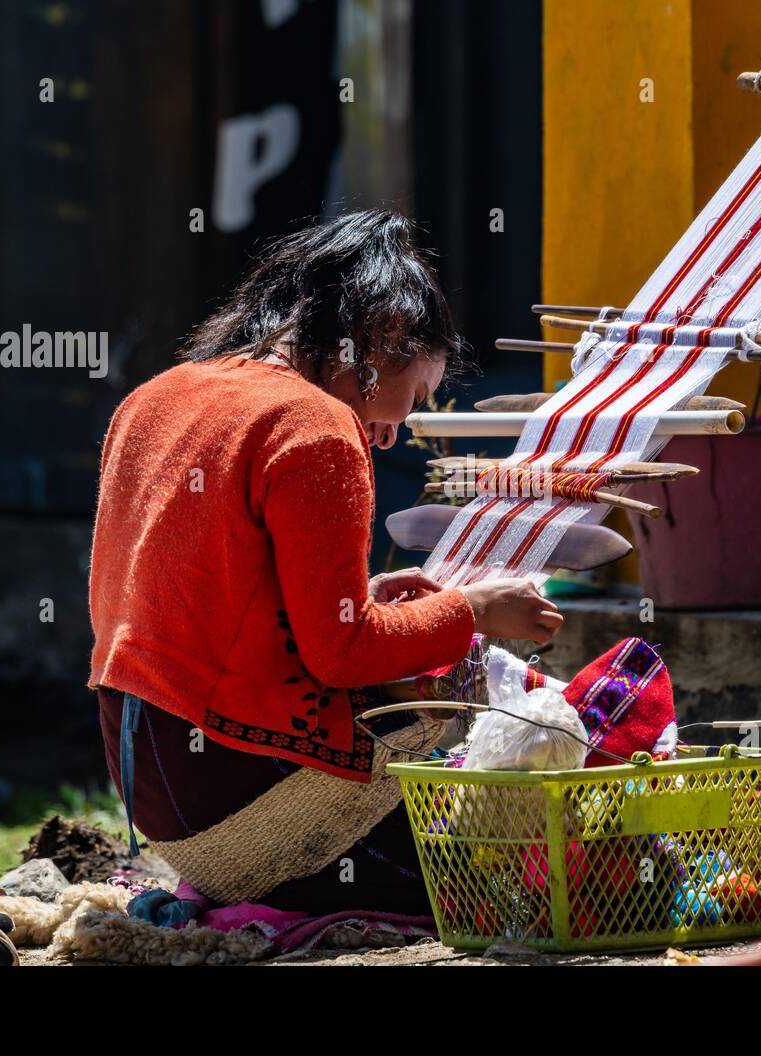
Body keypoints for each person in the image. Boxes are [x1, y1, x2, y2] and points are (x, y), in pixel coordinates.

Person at [88, 210, 561, 914]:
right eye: (418, 395)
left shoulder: (155, 398)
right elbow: (342, 653)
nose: (396, 429)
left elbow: (208, 598)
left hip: (157, 786)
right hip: (239, 795)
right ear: (385, 335)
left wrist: (360, 593)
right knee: (506, 886)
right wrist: (474, 611)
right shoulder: (313, 427)